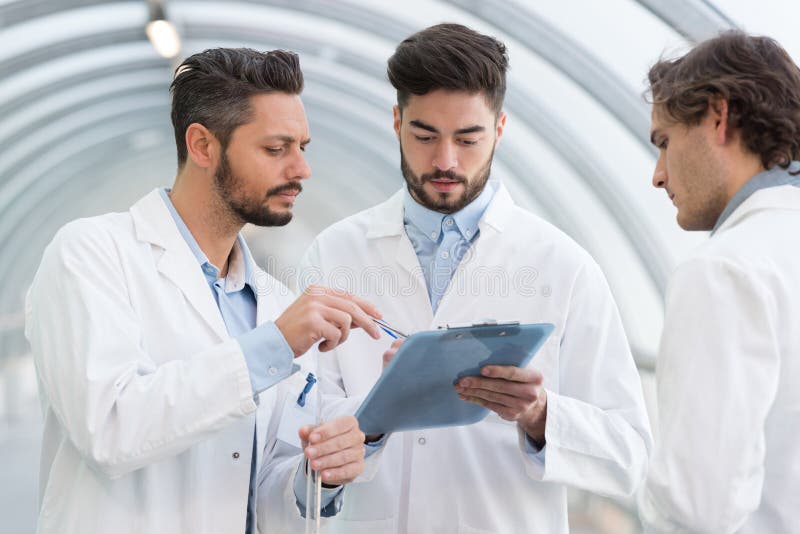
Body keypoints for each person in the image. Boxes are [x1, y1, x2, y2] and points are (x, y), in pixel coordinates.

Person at [296, 23, 652, 533]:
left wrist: (540, 415)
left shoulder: (563, 265)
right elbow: (297, 434)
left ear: (500, 129)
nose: (445, 161)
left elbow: (630, 452)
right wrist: (376, 413)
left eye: (468, 138)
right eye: (424, 135)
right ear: (396, 122)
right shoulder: (334, 254)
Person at [24, 48, 383, 534]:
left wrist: (320, 474)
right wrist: (274, 344)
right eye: (277, 149)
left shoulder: (272, 301)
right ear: (202, 146)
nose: (302, 170)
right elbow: (108, 428)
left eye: (303, 147)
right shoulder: (90, 254)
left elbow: (258, 483)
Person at [638, 31, 800, 533]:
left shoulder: (725, 270)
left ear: (717, 116)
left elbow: (695, 507)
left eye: (664, 142)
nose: (658, 175)